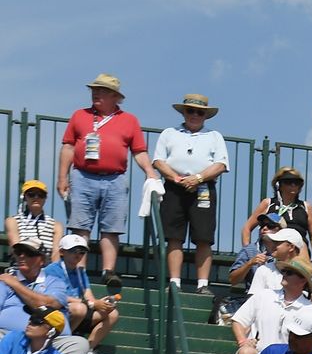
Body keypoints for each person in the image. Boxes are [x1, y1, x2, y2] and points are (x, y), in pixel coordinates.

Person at [57, 75, 158, 284]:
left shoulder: (129, 120)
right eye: (94, 90)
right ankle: (79, 272)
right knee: (80, 227)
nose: (96, 94)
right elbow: (68, 146)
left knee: (112, 228)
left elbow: (139, 151)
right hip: (82, 176)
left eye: (101, 90)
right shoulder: (79, 115)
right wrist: (62, 177)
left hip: (115, 179)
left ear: (115, 97)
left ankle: (108, 271)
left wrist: (150, 172)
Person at [151, 93, 230, 291]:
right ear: (183, 112)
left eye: (199, 112)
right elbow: (158, 161)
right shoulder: (169, 133)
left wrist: (199, 178)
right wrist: (175, 178)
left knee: (204, 238)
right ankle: (174, 282)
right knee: (174, 237)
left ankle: (202, 284)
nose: (194, 115)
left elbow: (221, 164)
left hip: (203, 188)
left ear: (206, 115)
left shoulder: (215, 136)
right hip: (174, 187)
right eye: (190, 111)